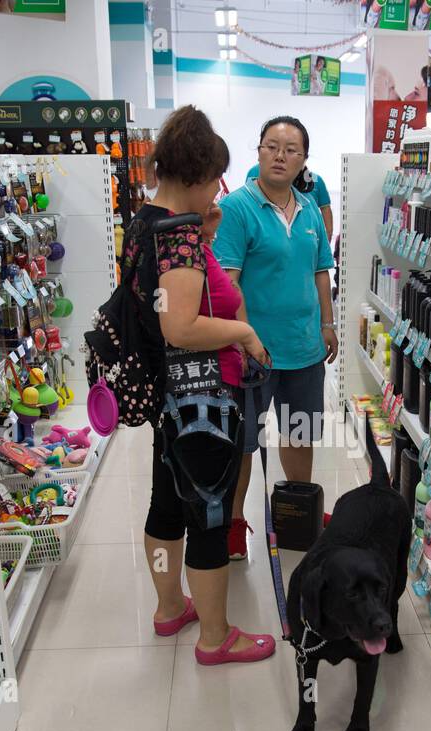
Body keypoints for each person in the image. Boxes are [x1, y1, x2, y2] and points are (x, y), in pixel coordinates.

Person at [128, 105, 274, 665]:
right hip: (201, 395)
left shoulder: (145, 223)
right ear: (194, 175)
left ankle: (170, 608)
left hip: (166, 395)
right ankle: (217, 637)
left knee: (165, 506)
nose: (218, 189)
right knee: (209, 514)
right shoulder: (181, 236)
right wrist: (242, 330)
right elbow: (182, 326)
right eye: (214, 177)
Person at [215, 116, 336, 561]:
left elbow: (321, 270)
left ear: (304, 159)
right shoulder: (238, 209)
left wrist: (328, 323)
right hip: (253, 353)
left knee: (300, 432)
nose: (280, 155)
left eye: (291, 149)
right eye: (271, 146)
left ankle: (298, 509)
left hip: (304, 348)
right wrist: (246, 339)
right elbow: (230, 283)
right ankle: (233, 524)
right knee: (244, 443)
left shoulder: (308, 210)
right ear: (259, 151)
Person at [243, 160, 333, 241]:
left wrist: (326, 241)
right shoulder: (255, 171)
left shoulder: (315, 179)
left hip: (306, 238)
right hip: (267, 237)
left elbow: (325, 208)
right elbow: (249, 204)